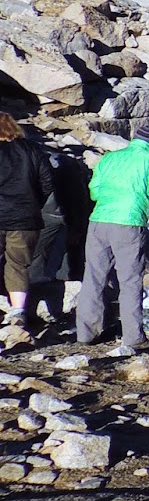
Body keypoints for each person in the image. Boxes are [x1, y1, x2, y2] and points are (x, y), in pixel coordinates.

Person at [78, 125, 149, 357]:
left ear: (133, 138)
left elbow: (94, 191)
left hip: (98, 220)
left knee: (94, 276)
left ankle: (87, 333)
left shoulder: (109, 158)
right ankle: (133, 337)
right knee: (129, 280)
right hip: (129, 222)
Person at [0, 114, 54, 342]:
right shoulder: (32, 149)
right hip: (25, 218)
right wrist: (34, 204)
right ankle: (17, 311)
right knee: (18, 264)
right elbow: (47, 183)